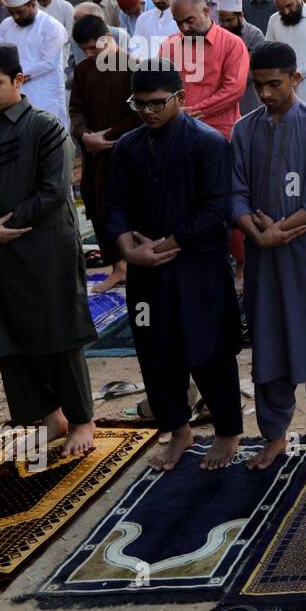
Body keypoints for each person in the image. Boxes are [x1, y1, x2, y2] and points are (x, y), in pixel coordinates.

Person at [0, 43, 99, 456]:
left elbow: (51, 192)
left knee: (59, 334)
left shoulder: (46, 128)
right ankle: (50, 417)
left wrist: (4, 228)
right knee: (8, 334)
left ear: (18, 80)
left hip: (45, 246)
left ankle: (82, 419)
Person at [103, 59, 244, 471]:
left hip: (196, 267)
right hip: (147, 271)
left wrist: (172, 241)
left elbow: (217, 208)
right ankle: (178, 430)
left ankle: (227, 431)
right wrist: (128, 248)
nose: (147, 112)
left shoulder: (208, 143)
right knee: (156, 351)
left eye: (156, 103)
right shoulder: (128, 146)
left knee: (209, 350)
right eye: (139, 104)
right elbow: (114, 204)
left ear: (180, 98)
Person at [231, 42, 306, 474]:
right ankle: (274, 436)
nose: (265, 94)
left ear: (295, 79)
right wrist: (257, 234)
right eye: (258, 86)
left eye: (274, 84)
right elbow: (236, 194)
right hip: (264, 260)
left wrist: (280, 229)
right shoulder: (243, 130)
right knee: (268, 342)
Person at [68, 15, 141, 293]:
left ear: (108, 38)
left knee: (129, 207)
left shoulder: (135, 68)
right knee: (98, 207)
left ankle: (136, 263)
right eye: (85, 50)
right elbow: (76, 109)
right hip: (94, 154)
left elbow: (139, 112)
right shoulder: (84, 70)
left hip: (126, 152)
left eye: (94, 48)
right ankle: (117, 267)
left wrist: (106, 138)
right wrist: (85, 136)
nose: (90, 54)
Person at [157, 0, 249, 139]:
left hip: (219, 133)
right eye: (178, 23)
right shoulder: (169, 45)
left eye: (190, 20)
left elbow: (233, 90)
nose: (184, 28)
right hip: (177, 130)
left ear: (206, 11)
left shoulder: (232, 44)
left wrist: (193, 111)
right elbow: (160, 85)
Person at [0, 0, 69, 129]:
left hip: (43, 90)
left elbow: (49, 63)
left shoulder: (52, 26)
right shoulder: (6, 24)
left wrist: (16, 74)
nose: (15, 17)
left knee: (47, 131)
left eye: (19, 12)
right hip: (12, 89)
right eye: (11, 13)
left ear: (32, 4)